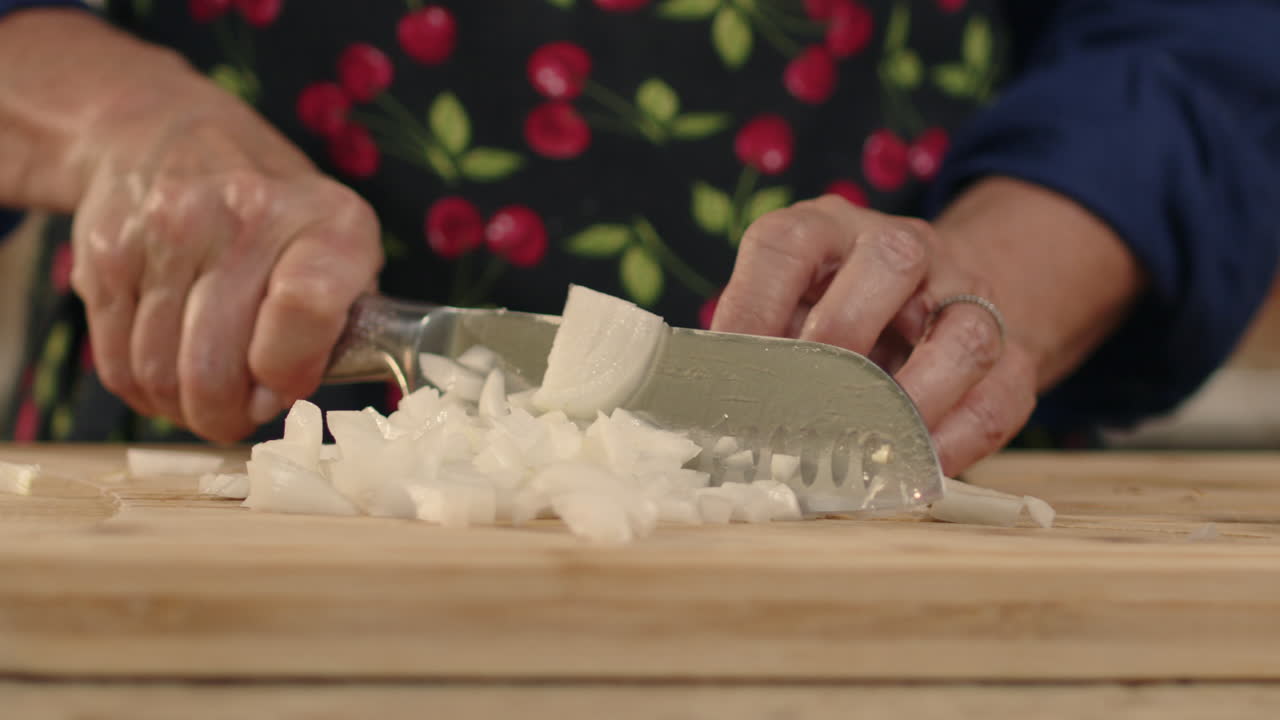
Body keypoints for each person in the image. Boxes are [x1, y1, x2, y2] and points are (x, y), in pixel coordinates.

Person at [1, 0, 1277, 477]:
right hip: (211, 486)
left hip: (880, 499)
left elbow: (1194, 46)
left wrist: (990, 288)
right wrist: (124, 126)